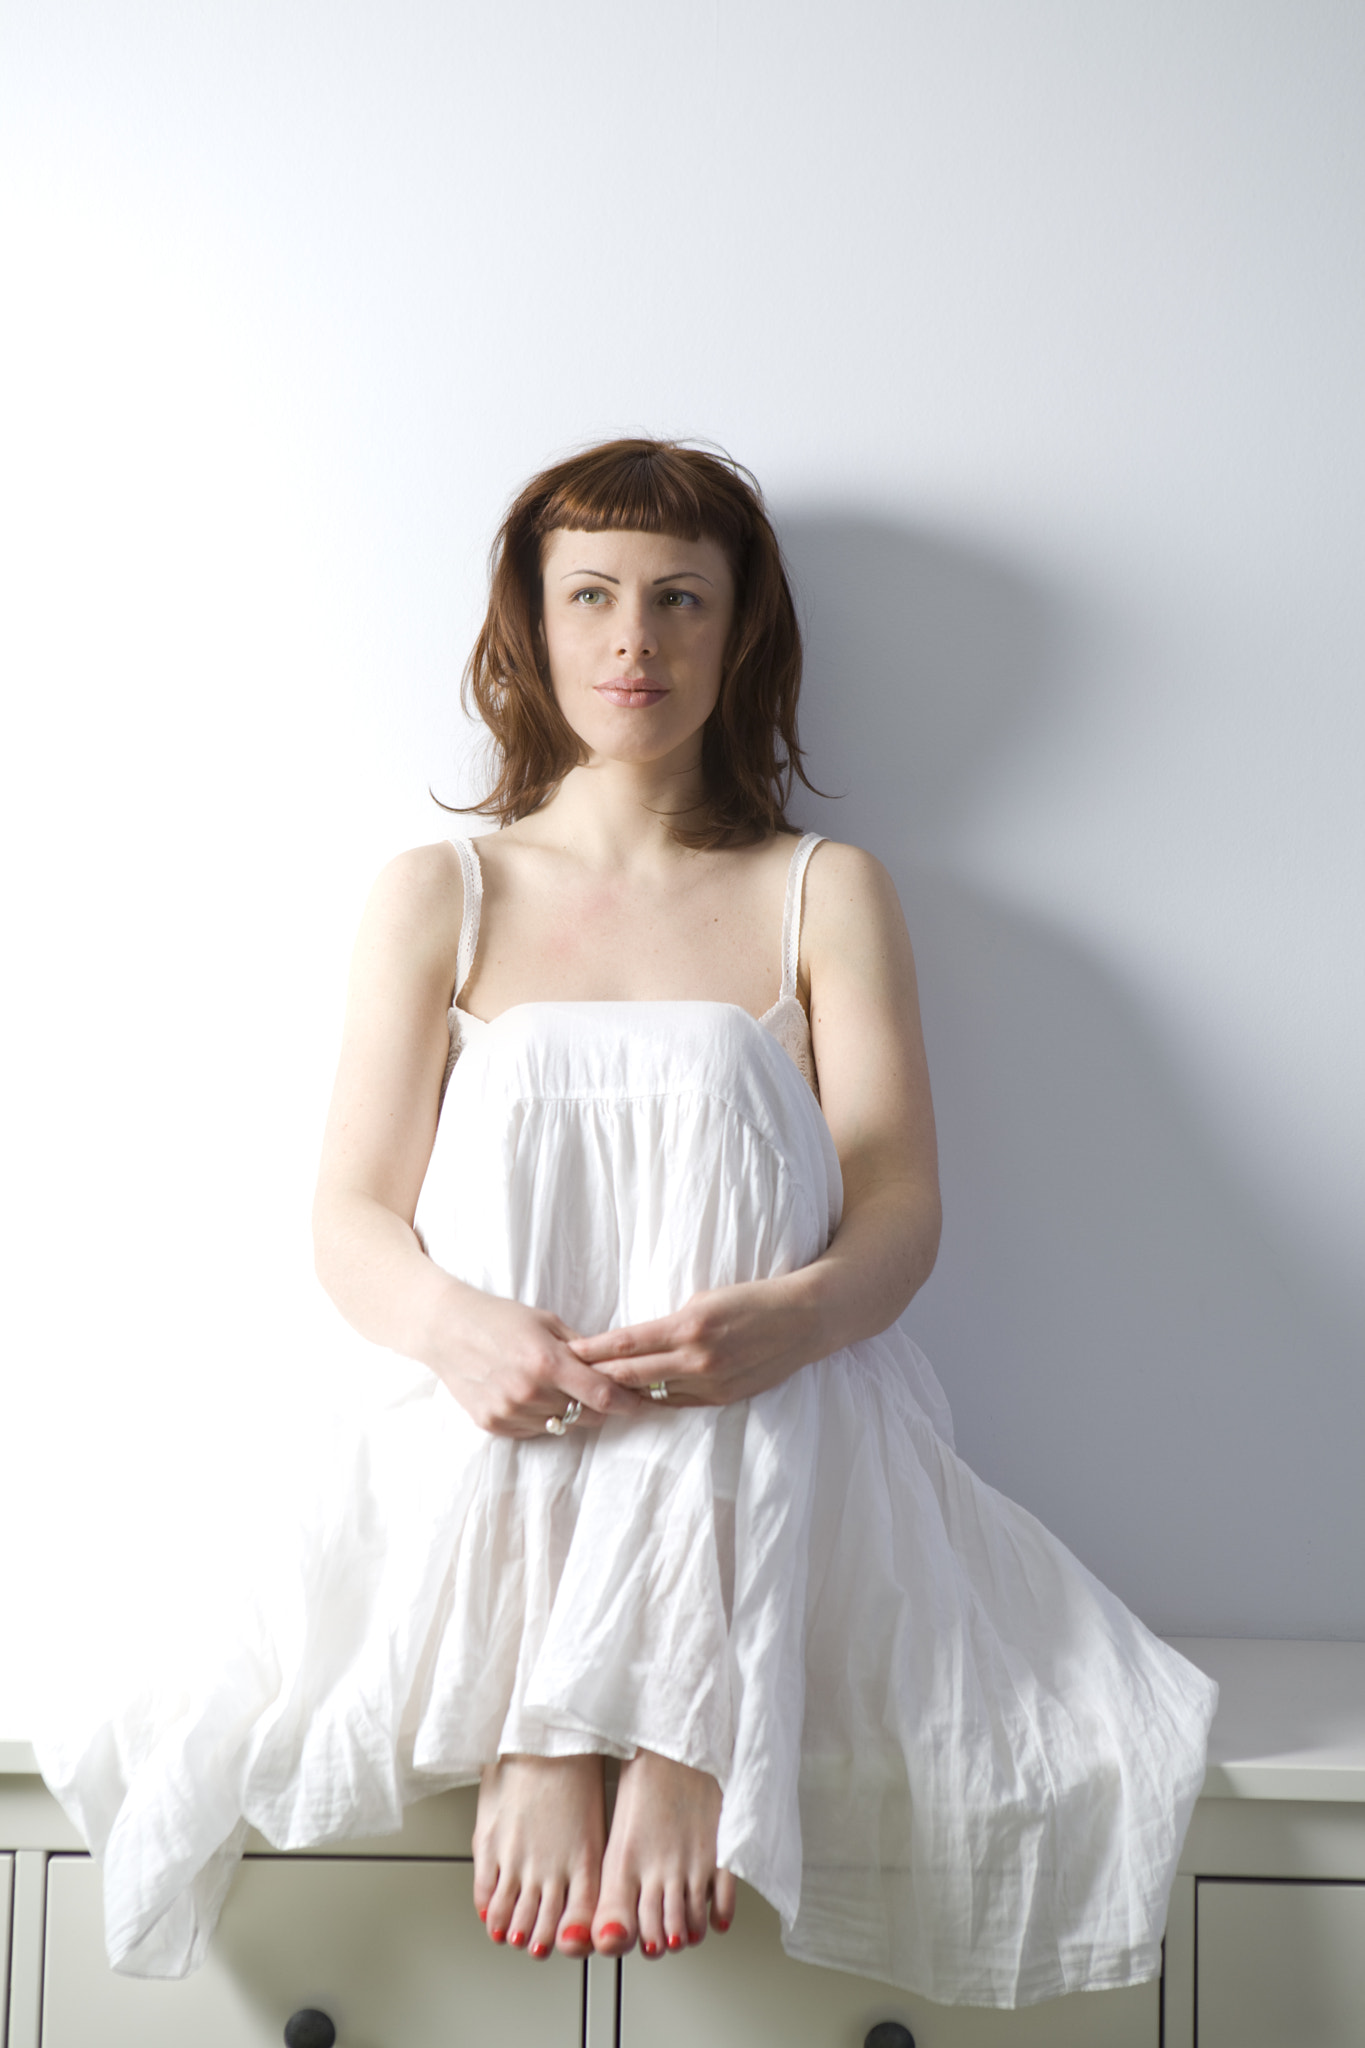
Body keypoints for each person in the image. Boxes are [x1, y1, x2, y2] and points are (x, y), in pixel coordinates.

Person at [37, 438, 1218, 2004]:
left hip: (768, 1431)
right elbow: (349, 1216)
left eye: (678, 600)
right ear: (531, 625)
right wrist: (464, 1330)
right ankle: (540, 1710)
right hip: (484, 1427)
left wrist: (789, 1316)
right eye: (590, 595)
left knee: (732, 1141)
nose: (632, 641)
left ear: (740, 636)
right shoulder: (436, 891)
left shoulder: (823, 888)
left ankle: (677, 1717)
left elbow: (900, 1209)